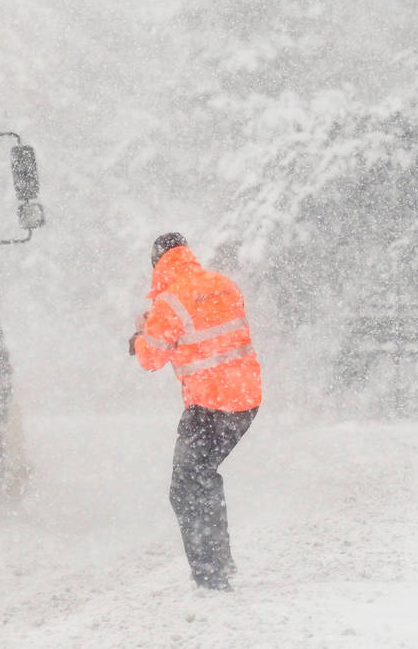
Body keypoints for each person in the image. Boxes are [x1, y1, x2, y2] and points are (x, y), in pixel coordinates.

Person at [129, 233, 262, 591]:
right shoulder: (223, 284)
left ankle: (211, 575)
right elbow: (212, 332)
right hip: (247, 401)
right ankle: (222, 560)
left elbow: (150, 358)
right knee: (204, 475)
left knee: (186, 487)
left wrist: (141, 335)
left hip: (209, 406)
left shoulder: (169, 302)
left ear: (158, 263)